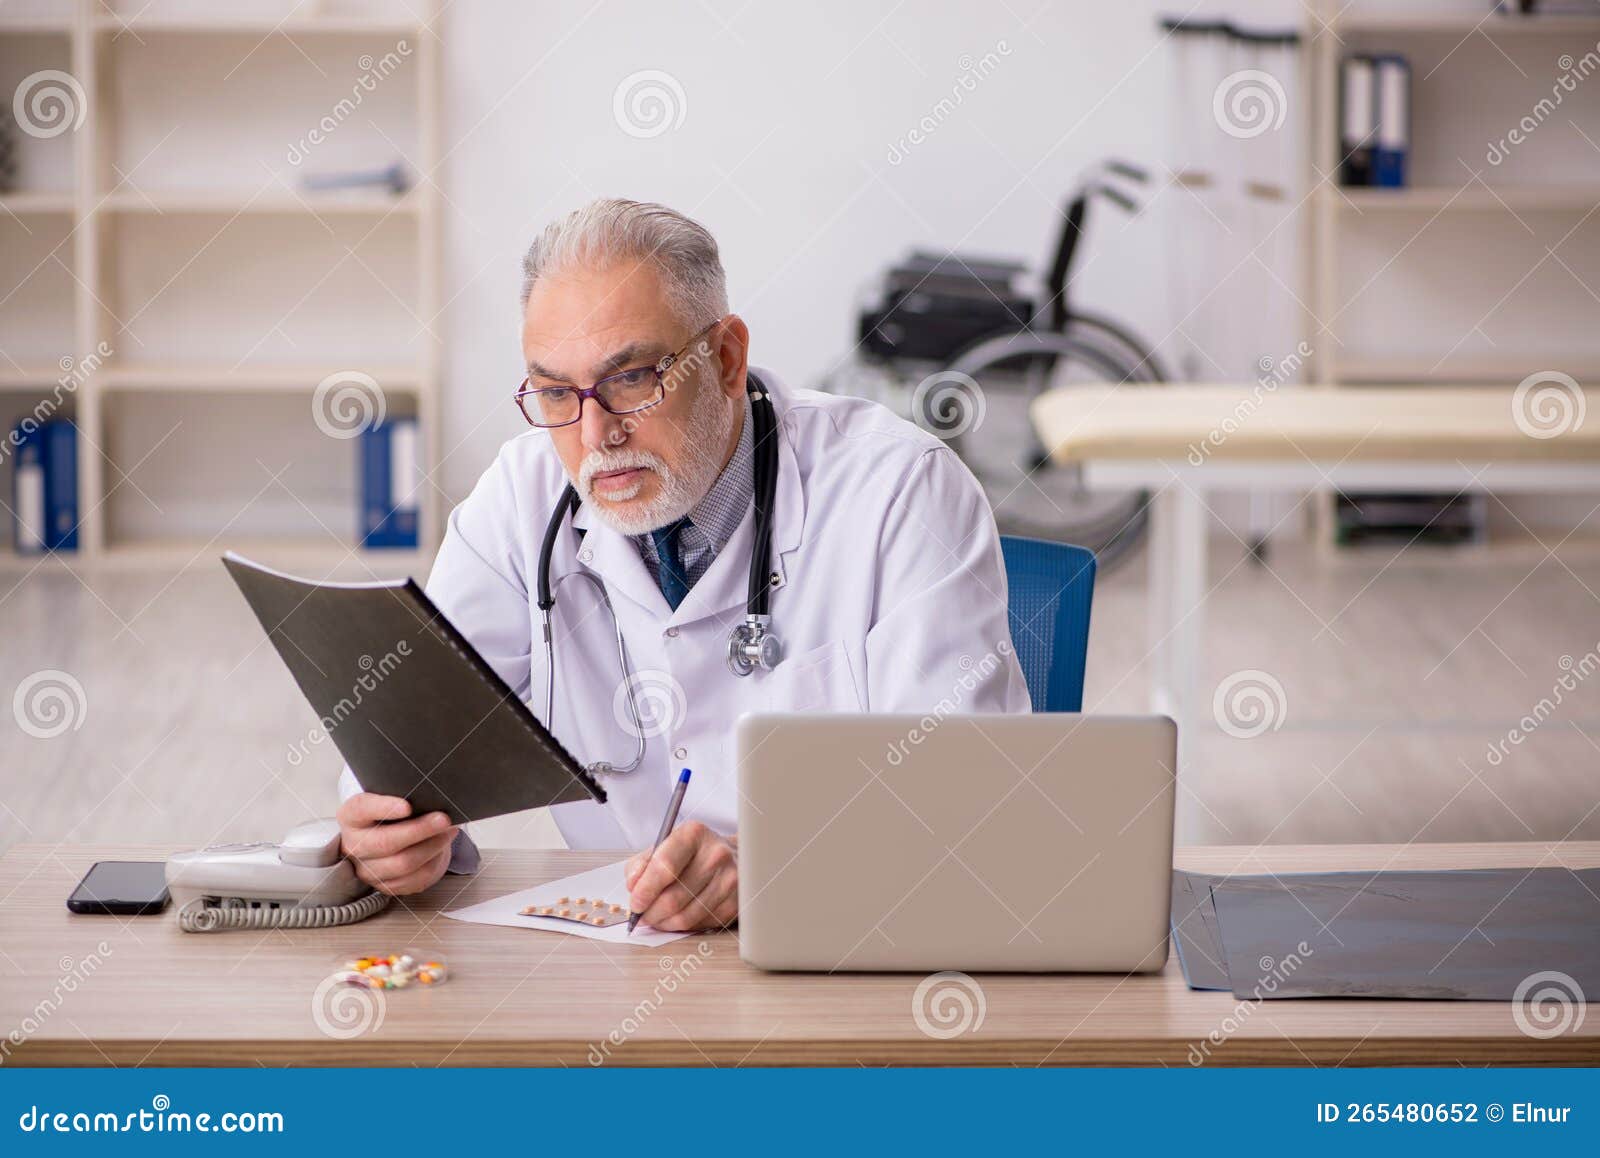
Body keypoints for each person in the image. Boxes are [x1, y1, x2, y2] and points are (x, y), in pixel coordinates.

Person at [337, 199, 1030, 930]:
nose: (596, 433)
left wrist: (773, 868)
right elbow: (403, 754)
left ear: (726, 358)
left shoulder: (900, 490)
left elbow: (969, 813)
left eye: (631, 377)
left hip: (845, 960)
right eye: (553, 392)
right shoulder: (520, 499)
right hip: (617, 970)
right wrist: (391, 837)